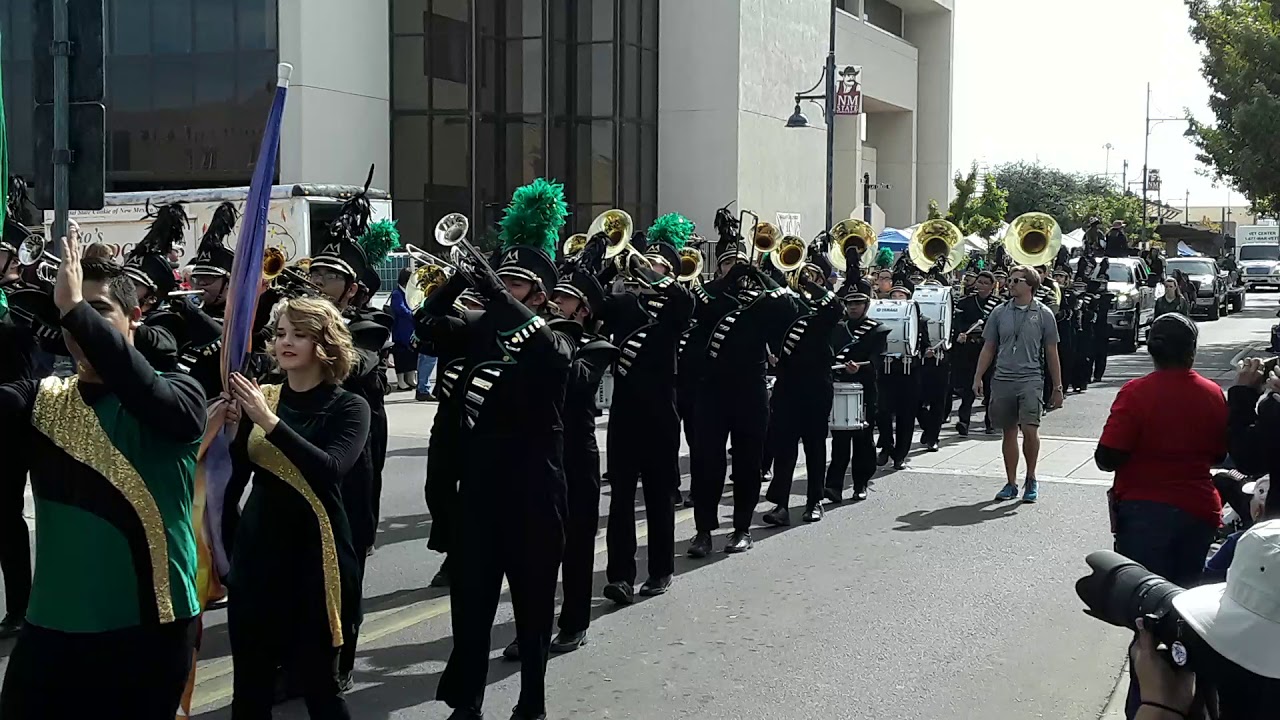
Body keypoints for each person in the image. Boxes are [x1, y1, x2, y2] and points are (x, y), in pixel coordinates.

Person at [0, 238, 204, 718]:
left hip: (149, 628)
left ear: (135, 318)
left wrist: (73, 309)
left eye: (97, 310)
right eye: (71, 315)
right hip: (50, 630)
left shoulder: (181, 391)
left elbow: (150, 393)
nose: (78, 327)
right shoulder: (39, 399)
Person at [419, 178, 574, 720]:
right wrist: (454, 279)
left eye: (516, 283)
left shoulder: (558, 331)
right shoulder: (482, 327)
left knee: (532, 611)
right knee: (471, 607)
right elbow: (426, 327)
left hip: (534, 493)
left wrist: (501, 295)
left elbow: (554, 359)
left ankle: (532, 701)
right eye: (500, 278)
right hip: (479, 493)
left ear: (538, 294)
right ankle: (467, 703)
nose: (503, 287)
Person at [221, 296, 369, 719]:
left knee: (320, 687)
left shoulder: (349, 406)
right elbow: (233, 480)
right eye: (281, 333)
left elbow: (330, 469)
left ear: (325, 345)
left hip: (316, 556)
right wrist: (226, 547)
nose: (285, 342)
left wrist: (269, 422)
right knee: (250, 687)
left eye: (299, 334)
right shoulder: (262, 395)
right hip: (256, 555)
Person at [1094, 313, 1228, 720]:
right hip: (1197, 513)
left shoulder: (1136, 393)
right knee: (1188, 619)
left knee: (1147, 626)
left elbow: (1107, 457)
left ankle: (1145, 707)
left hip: (1145, 515)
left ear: (1152, 349)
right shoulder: (1212, 393)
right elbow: (1219, 454)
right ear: (1191, 352)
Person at [504, 251, 615, 657]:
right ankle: (529, 629)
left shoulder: (596, 345)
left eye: (567, 300)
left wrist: (548, 338)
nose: (559, 304)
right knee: (532, 546)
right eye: (558, 298)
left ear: (583, 309)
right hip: (534, 451)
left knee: (576, 544)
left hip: (575, 455)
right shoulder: (534, 336)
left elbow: (579, 384)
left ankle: (573, 623)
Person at [601, 214, 693, 603]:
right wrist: (602, 260)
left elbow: (684, 303)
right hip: (624, 412)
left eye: (657, 264)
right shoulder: (623, 305)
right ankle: (620, 575)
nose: (647, 266)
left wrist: (655, 276)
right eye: (645, 260)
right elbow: (590, 302)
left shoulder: (673, 308)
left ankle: (660, 570)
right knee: (621, 498)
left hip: (660, 412)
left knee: (658, 495)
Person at [687, 222, 791, 557]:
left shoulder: (761, 302)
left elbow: (789, 309)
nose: (736, 268)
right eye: (729, 263)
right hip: (712, 390)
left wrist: (761, 276)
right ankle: (703, 531)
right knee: (707, 463)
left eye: (739, 263)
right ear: (718, 268)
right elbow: (701, 308)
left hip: (750, 390)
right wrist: (727, 280)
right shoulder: (708, 294)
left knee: (748, 462)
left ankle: (742, 528)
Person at [761, 251, 843, 525]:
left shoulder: (825, 311)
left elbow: (835, 308)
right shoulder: (788, 306)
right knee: (784, 446)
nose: (807, 279)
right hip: (788, 384)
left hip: (817, 385)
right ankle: (781, 505)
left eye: (816, 277)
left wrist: (810, 283)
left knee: (815, 446)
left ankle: (814, 500)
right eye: (805, 275)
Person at [974, 265, 1063, 503]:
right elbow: (988, 347)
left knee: (1030, 430)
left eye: (1016, 280)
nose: (1010, 284)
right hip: (1003, 378)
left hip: (1031, 378)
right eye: (1010, 280)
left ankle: (1031, 478)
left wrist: (1057, 387)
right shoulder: (999, 312)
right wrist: (978, 377)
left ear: (1030, 285)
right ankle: (1011, 482)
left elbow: (1052, 351)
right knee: (1008, 431)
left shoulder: (1044, 314)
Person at [825, 283, 889, 502]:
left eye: (857, 304)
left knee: (863, 440)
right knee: (839, 440)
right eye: (849, 303)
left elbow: (878, 359)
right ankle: (833, 486)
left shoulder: (877, 329)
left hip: (864, 389)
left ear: (866, 305)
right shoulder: (837, 328)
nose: (853, 308)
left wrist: (862, 366)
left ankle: (860, 483)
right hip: (840, 386)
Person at [876, 281, 928, 470]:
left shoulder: (919, 320)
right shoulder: (880, 319)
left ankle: (900, 455)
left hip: (909, 373)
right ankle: (886, 447)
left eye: (901, 296)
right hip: (886, 372)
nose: (897, 299)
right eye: (894, 296)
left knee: (906, 417)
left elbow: (925, 345)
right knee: (882, 413)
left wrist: (924, 352)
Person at [953, 271, 1000, 434]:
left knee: (989, 386)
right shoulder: (965, 302)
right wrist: (960, 333)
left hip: (989, 347)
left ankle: (990, 421)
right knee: (968, 386)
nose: (981, 286)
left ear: (993, 286)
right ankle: (963, 421)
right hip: (970, 348)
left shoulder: (999, 304)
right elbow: (958, 322)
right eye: (979, 282)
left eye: (986, 283)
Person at [390, 268, 418, 392]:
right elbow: (400, 309)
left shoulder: (411, 292)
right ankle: (401, 380)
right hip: (401, 330)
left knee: (412, 354)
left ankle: (410, 378)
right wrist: (413, 313)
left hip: (411, 329)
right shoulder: (396, 293)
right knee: (401, 355)